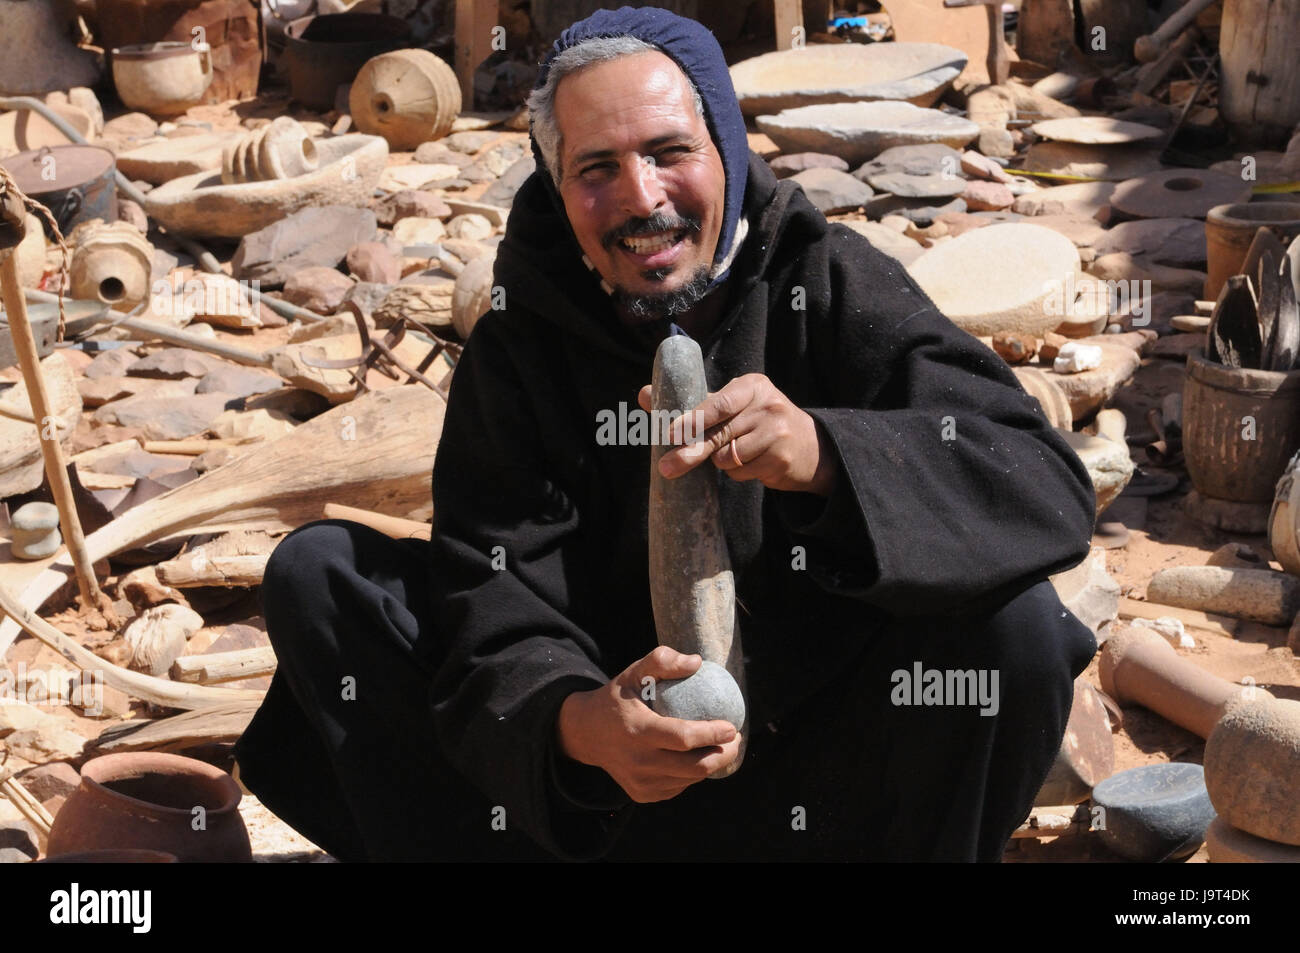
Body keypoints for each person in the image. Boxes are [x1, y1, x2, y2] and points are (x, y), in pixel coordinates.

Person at [235, 6, 1098, 862]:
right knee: (323, 579)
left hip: (823, 788)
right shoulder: (522, 345)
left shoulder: (824, 282)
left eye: (668, 152)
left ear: (723, 147)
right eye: (597, 169)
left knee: (1016, 628)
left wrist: (829, 457)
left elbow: (1041, 487)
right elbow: (492, 594)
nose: (641, 198)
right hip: (618, 806)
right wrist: (578, 725)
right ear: (555, 183)